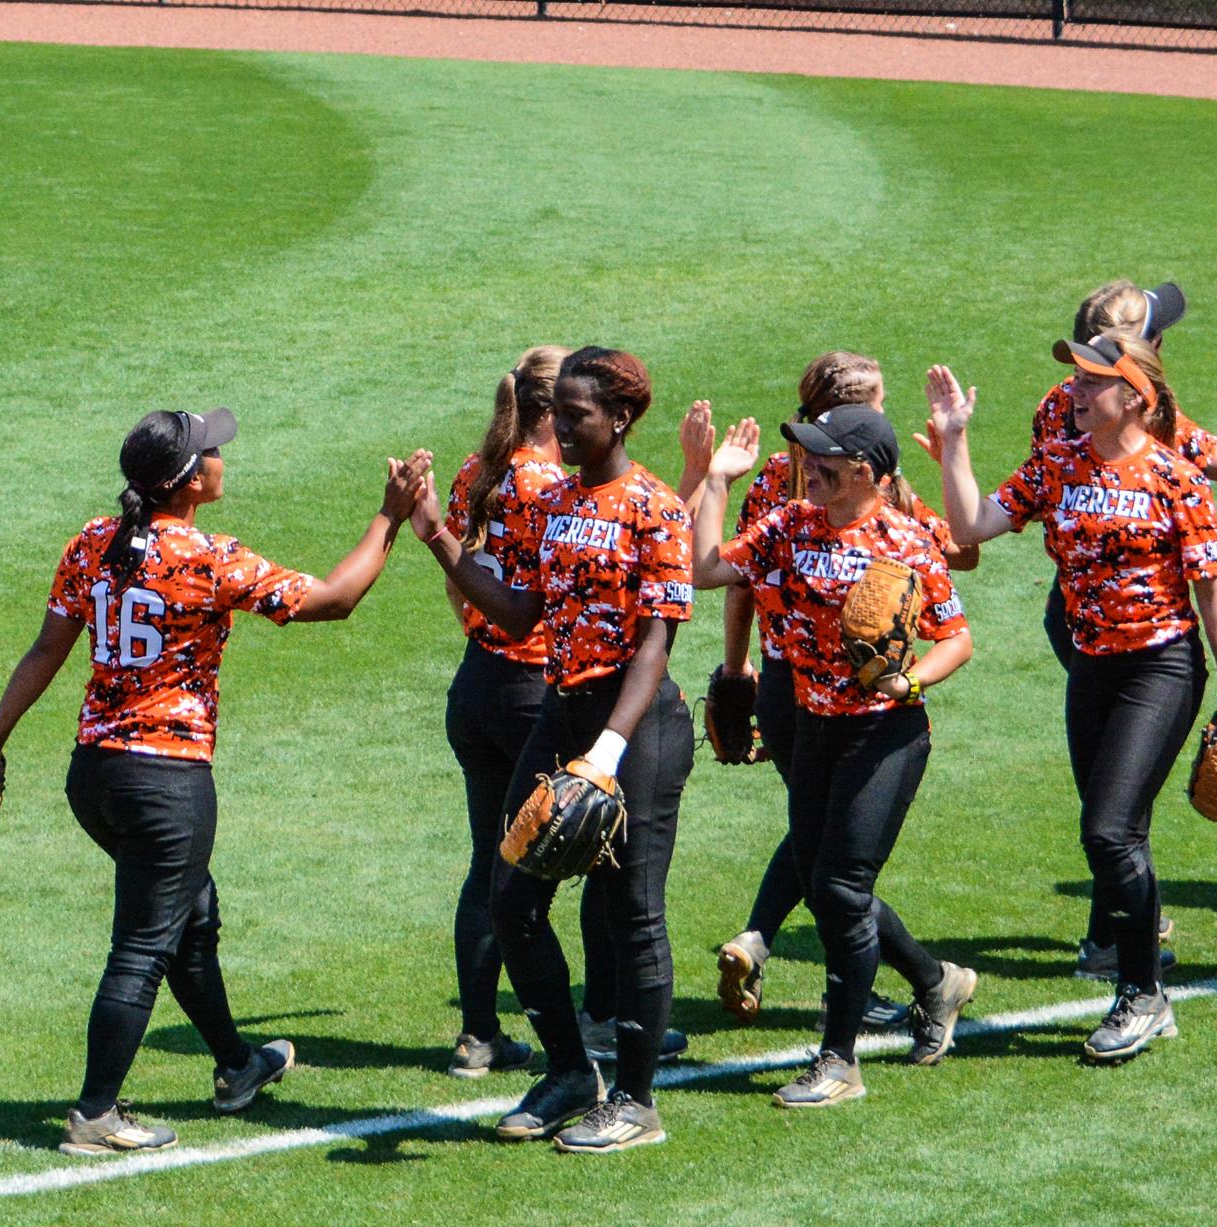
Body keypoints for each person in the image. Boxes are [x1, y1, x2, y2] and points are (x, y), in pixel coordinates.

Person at [0, 408, 418, 1155]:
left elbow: (47, 649)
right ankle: (95, 1113)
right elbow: (335, 599)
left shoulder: (93, 542)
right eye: (211, 451)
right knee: (144, 943)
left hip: (95, 777)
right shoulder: (209, 557)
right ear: (189, 481)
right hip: (167, 784)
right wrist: (389, 518)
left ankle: (237, 1065)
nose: (221, 456)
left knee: (191, 915)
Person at [931, 336, 1217, 1061]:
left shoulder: (1175, 476)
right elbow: (971, 526)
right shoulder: (1059, 461)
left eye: (1092, 381)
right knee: (1117, 836)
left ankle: (1138, 995)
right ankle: (1148, 990)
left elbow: (1214, 595)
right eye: (1074, 378)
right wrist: (955, 442)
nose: (1074, 390)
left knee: (1108, 833)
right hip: (1092, 668)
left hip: (1161, 668)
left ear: (1135, 396)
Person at [412, 346, 694, 1154]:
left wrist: (607, 750)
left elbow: (654, 645)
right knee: (511, 896)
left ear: (621, 418)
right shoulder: (560, 501)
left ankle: (635, 1103)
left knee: (629, 912)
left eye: (579, 415)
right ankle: (572, 1071)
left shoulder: (656, 507)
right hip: (560, 718)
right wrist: (435, 535)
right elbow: (517, 614)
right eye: (559, 413)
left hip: (635, 733)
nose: (564, 428)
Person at [693, 404, 981, 1103]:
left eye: (823, 459)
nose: (807, 467)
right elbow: (705, 570)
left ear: (864, 471)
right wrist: (716, 481)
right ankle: (939, 983)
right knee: (826, 887)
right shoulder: (789, 524)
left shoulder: (905, 541)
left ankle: (839, 1062)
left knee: (841, 890)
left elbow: (957, 639)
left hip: (886, 734)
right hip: (813, 728)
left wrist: (910, 678)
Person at [1023, 281, 1217, 981]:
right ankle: (1119, 947)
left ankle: (1112, 940)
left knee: (1114, 800)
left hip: (1076, 614)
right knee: (1121, 806)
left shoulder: (1057, 406)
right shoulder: (1140, 422)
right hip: (1140, 630)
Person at [438, 347, 567, 1077]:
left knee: (489, 861)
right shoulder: (553, 485)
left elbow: (459, 572)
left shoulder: (476, 470)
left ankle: (480, 1035)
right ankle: (582, 1033)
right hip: (534, 694)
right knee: (536, 873)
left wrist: (473, 623)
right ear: (553, 409)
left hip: (477, 683)